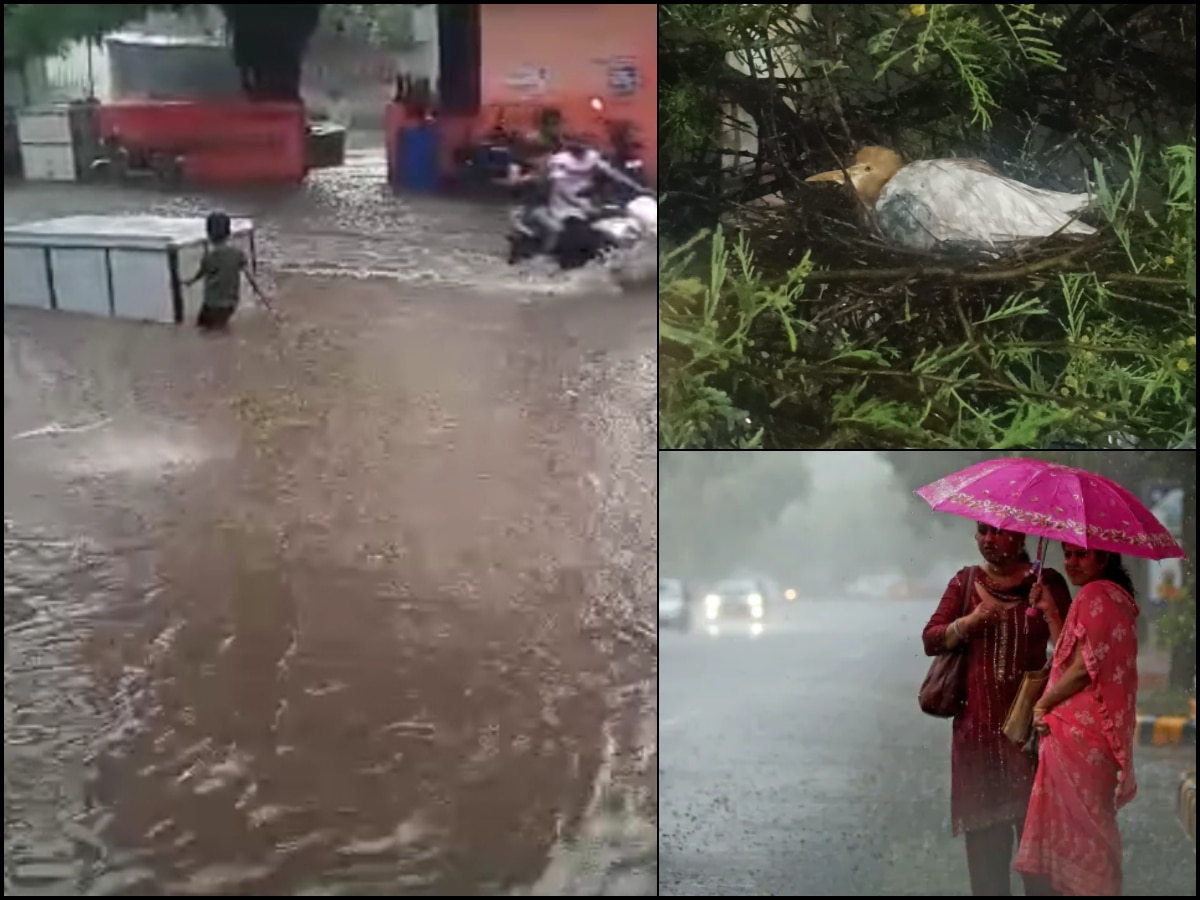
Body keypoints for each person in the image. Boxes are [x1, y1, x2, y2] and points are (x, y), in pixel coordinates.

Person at [922, 523, 1072, 896]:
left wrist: (1049, 610)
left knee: (1040, 861)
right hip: (977, 741)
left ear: (1021, 537)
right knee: (986, 866)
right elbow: (931, 638)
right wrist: (968, 623)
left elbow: (1073, 651)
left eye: (999, 532)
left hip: (1034, 739)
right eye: (982, 532)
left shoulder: (1047, 584)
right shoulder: (964, 582)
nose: (988, 540)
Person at [1014, 544, 1140, 896]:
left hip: (1080, 736)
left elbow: (1085, 669)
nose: (1071, 562)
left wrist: (1044, 704)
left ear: (1104, 558)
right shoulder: (1116, 598)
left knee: (1084, 829)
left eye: (1081, 555)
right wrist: (1051, 611)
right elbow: (1071, 657)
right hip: (1091, 735)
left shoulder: (1094, 594)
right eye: (1067, 554)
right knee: (1092, 826)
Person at [186, 211, 265, 331]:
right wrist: (260, 293)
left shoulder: (209, 257)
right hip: (231, 304)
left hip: (211, 305)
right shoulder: (238, 254)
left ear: (208, 234)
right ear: (228, 233)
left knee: (203, 331)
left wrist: (189, 282)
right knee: (222, 327)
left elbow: (200, 274)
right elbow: (249, 276)